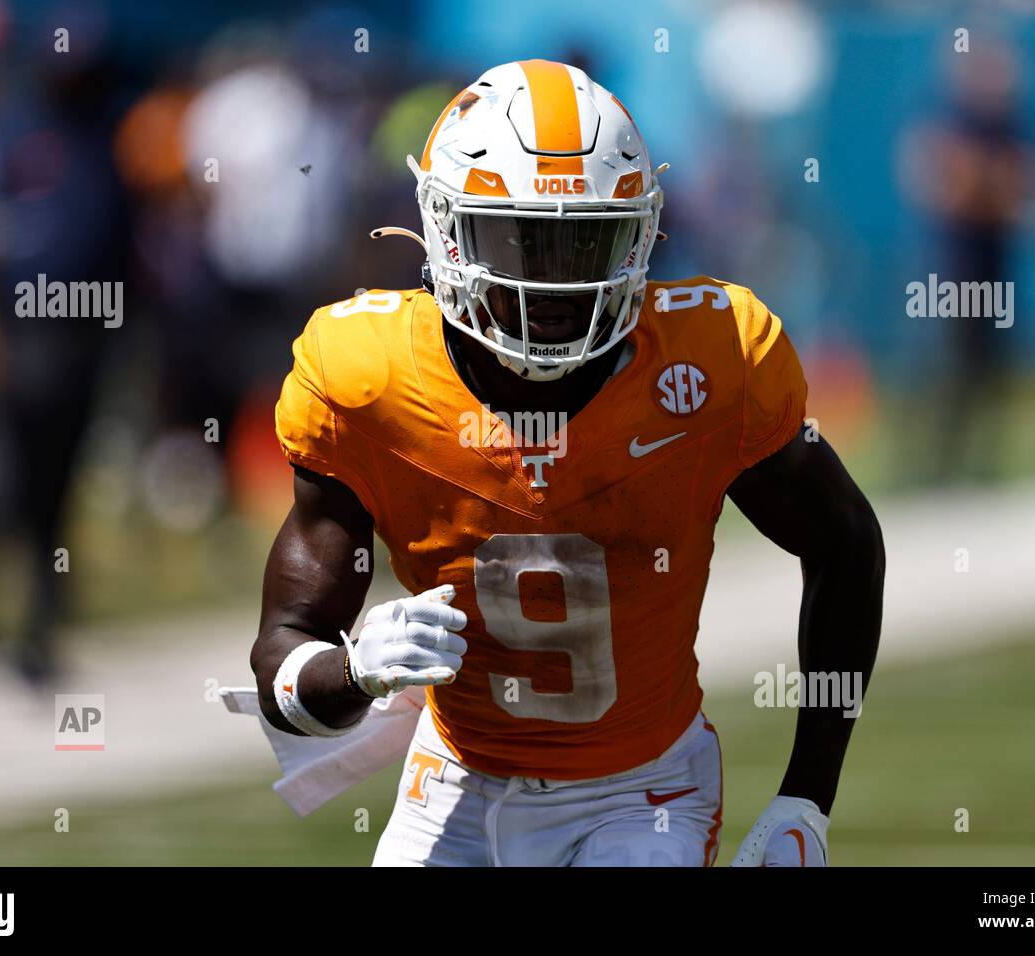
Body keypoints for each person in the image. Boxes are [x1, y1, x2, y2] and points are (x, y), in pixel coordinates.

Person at [251, 60, 884, 867]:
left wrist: (807, 797)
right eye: (520, 238)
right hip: (454, 777)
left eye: (585, 239)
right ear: (445, 230)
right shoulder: (366, 376)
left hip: (641, 793)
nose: (554, 281)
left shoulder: (714, 362)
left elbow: (846, 543)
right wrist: (353, 672)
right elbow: (285, 653)